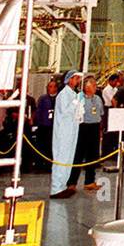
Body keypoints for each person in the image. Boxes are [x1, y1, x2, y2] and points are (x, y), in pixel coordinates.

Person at [50, 70, 84, 198]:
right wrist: (75, 103)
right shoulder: (63, 95)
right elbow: (65, 111)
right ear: (69, 79)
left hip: (72, 129)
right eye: (76, 78)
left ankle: (63, 185)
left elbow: (77, 113)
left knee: (69, 158)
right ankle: (56, 188)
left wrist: (79, 104)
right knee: (61, 158)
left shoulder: (74, 94)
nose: (78, 81)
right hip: (63, 131)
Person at [70, 75, 103, 191]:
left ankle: (90, 181)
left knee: (92, 155)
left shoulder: (98, 99)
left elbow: (101, 113)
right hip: (83, 127)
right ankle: (72, 182)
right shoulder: (79, 98)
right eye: (92, 85)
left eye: (95, 85)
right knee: (78, 155)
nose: (95, 87)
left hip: (94, 127)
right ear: (86, 87)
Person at [34, 79, 57, 171]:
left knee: (52, 146)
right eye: (49, 87)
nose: (50, 89)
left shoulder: (58, 98)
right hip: (44, 126)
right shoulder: (43, 99)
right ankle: (40, 165)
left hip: (54, 127)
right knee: (42, 145)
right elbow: (39, 112)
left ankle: (50, 164)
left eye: (52, 86)